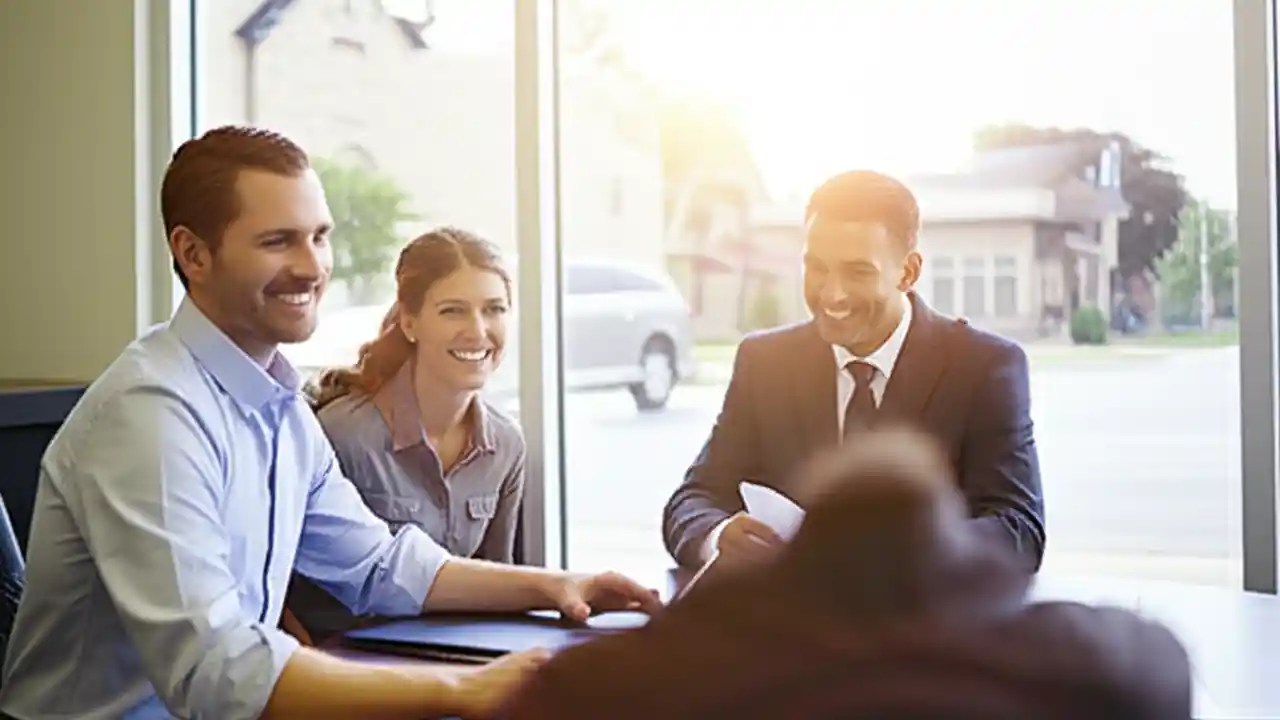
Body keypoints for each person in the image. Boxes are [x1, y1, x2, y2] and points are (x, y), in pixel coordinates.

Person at [0, 125, 660, 720]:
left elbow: (379, 564)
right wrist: (464, 690)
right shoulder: (150, 414)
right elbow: (216, 672)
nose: (313, 266)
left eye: (319, 236)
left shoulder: (281, 408)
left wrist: (557, 585)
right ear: (193, 255)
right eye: (277, 241)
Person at [503, 428, 1191, 720]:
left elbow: (1019, 521)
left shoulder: (620, 683)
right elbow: (694, 496)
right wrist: (718, 535)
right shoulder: (1112, 670)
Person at [662, 170, 1045, 572]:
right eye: (817, 269)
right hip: (791, 622)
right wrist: (719, 536)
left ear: (908, 272)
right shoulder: (765, 362)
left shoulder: (983, 367)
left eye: (857, 272)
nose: (832, 294)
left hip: (922, 621)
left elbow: (1020, 529)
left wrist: (912, 546)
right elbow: (692, 500)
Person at [288, 228, 525, 642]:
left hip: (455, 668)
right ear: (409, 321)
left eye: (494, 309)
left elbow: (500, 585)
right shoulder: (342, 435)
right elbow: (281, 592)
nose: (478, 330)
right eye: (453, 311)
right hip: (346, 672)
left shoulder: (506, 446)